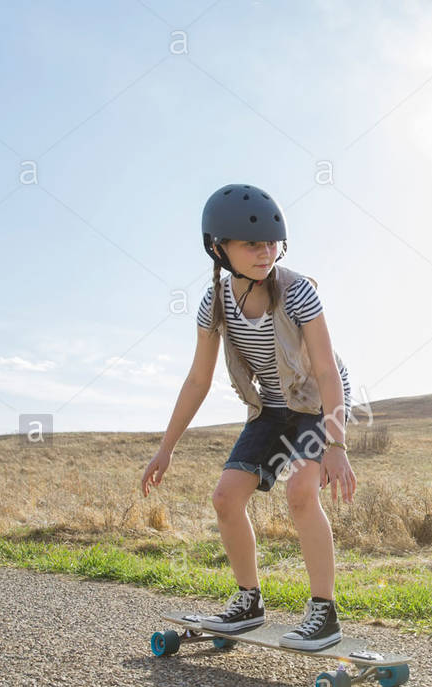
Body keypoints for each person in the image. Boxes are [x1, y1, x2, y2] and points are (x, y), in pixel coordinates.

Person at [141, 184, 356, 650]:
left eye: (271, 242)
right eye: (251, 244)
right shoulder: (214, 302)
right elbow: (198, 379)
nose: (265, 252)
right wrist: (166, 448)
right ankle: (249, 601)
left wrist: (336, 445)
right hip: (271, 408)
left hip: (318, 403)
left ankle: (324, 613)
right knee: (225, 497)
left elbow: (324, 369)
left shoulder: (297, 293)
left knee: (301, 493)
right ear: (219, 249)